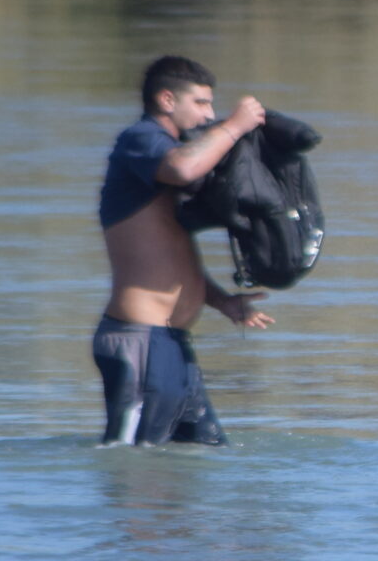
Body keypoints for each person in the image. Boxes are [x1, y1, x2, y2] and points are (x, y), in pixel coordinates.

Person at [94, 55, 275, 446]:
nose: (209, 114)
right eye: (201, 103)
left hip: (171, 345)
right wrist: (233, 125)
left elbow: (170, 259)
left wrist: (224, 302)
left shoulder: (162, 161)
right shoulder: (140, 140)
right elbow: (183, 169)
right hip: (139, 342)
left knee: (208, 452)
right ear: (166, 100)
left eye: (212, 105)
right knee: (130, 461)